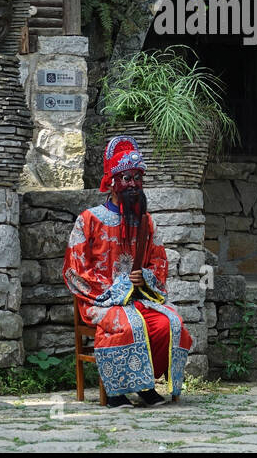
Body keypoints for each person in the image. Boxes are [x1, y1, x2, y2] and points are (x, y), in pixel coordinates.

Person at [63, 135, 192, 407]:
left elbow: (159, 263)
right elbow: (75, 270)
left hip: (139, 298)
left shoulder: (146, 221)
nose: (133, 184)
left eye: (137, 178)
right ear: (112, 181)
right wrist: (118, 287)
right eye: (126, 178)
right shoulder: (89, 220)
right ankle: (116, 392)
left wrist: (145, 277)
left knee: (171, 323)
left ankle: (145, 386)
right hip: (102, 299)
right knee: (127, 323)